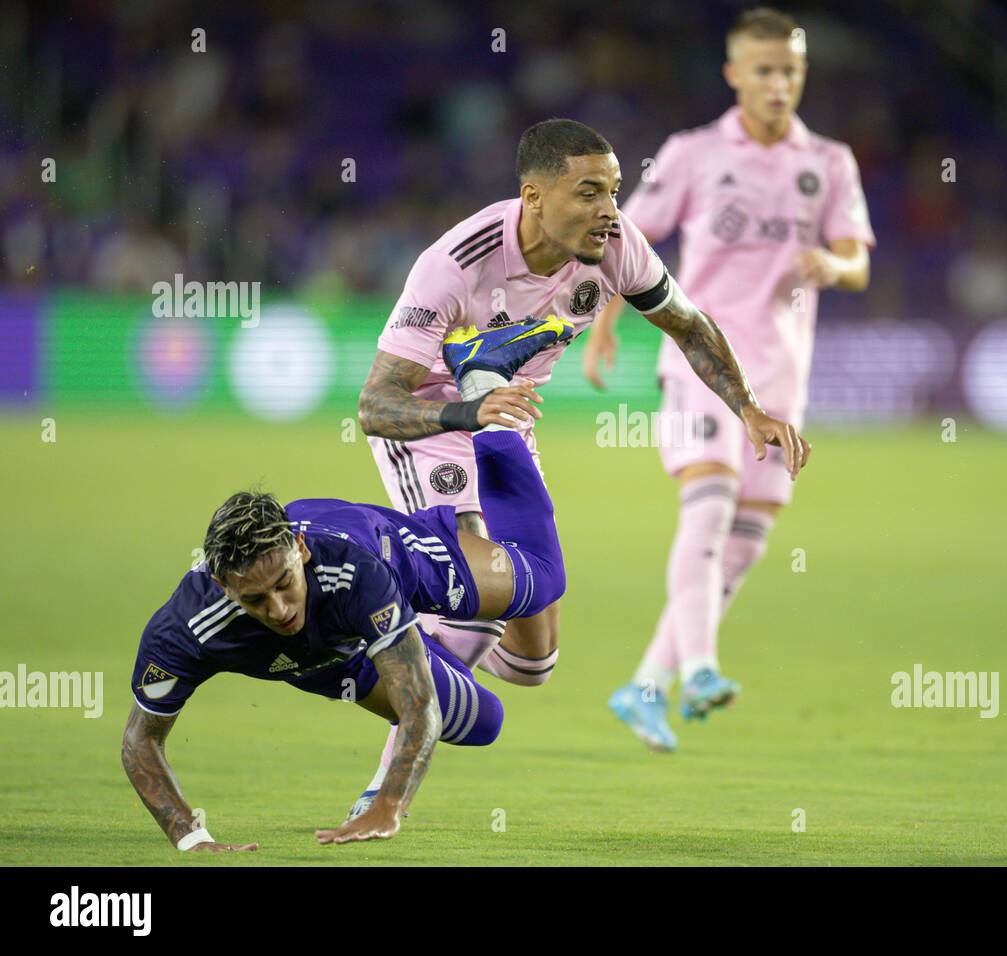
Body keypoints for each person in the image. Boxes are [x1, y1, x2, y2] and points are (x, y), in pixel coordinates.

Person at [356, 118, 811, 687]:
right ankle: (390, 763)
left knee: (530, 663)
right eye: (589, 192)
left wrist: (748, 407)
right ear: (534, 197)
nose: (609, 210)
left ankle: (397, 610)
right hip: (431, 420)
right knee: (475, 606)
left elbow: (690, 327)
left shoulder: (616, 244)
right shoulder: (455, 265)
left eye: (614, 192)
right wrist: (468, 413)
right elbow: (376, 405)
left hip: (504, 420)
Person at [123, 332, 570, 851]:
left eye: (284, 584)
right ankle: (397, 638)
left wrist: (387, 807)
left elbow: (417, 705)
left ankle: (484, 374)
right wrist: (190, 838)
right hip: (336, 657)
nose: (280, 609)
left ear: (300, 549)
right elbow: (141, 740)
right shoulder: (186, 629)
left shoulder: (354, 569)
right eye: (255, 601)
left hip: (394, 557)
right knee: (483, 721)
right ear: (222, 586)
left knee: (542, 579)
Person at [587, 8, 874, 751]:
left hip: (782, 378)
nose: (780, 84)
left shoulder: (830, 162)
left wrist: (833, 266)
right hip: (701, 361)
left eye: (792, 71)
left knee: (744, 544)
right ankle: (704, 669)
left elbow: (857, 259)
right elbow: (623, 235)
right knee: (707, 509)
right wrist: (605, 326)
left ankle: (644, 685)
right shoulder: (694, 153)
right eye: (766, 71)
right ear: (734, 74)